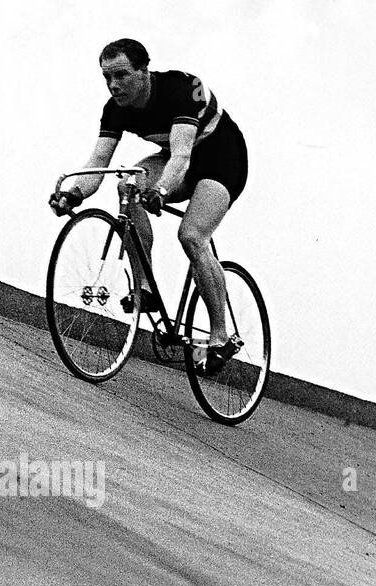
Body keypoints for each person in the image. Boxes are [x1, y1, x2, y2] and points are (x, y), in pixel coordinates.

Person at [49, 38, 250, 374]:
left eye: (122, 75)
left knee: (191, 235)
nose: (114, 84)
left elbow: (183, 155)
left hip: (221, 160)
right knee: (128, 185)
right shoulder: (115, 108)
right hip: (174, 159)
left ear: (144, 71)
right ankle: (146, 288)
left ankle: (220, 337)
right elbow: (100, 161)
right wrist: (73, 195)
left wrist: (161, 189)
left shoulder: (180, 89)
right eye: (107, 77)